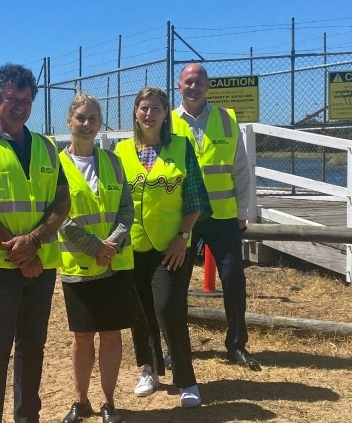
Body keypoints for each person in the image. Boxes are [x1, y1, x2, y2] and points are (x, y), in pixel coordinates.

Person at [0, 63, 71, 423]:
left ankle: (28, 418)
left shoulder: (47, 147)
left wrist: (34, 241)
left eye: (26, 99)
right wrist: (19, 252)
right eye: (11, 98)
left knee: (33, 347)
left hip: (41, 266)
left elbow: (62, 202)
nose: (19, 105)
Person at [114, 86, 212, 408]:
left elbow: (196, 199)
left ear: (165, 114)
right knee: (140, 312)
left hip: (172, 246)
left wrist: (183, 237)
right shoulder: (121, 152)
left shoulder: (182, 148)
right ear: (135, 112)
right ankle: (149, 369)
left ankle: (186, 379)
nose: (149, 114)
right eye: (143, 108)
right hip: (132, 246)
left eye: (156, 108)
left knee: (169, 309)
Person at [171, 63, 261, 371]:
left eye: (198, 81)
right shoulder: (167, 123)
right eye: (187, 81)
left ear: (208, 86)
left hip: (223, 218)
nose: (193, 86)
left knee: (234, 280)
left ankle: (236, 345)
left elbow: (241, 171)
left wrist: (243, 212)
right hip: (182, 218)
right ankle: (175, 348)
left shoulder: (226, 119)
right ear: (178, 86)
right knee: (175, 285)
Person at [57, 94, 140, 423]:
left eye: (93, 118)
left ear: (100, 123)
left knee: (110, 334)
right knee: (81, 337)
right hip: (78, 267)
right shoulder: (57, 165)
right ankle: (80, 401)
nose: (87, 124)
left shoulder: (113, 161)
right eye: (81, 118)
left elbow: (126, 209)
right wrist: (94, 247)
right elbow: (57, 217)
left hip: (114, 265)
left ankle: (108, 402)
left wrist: (112, 243)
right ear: (69, 122)